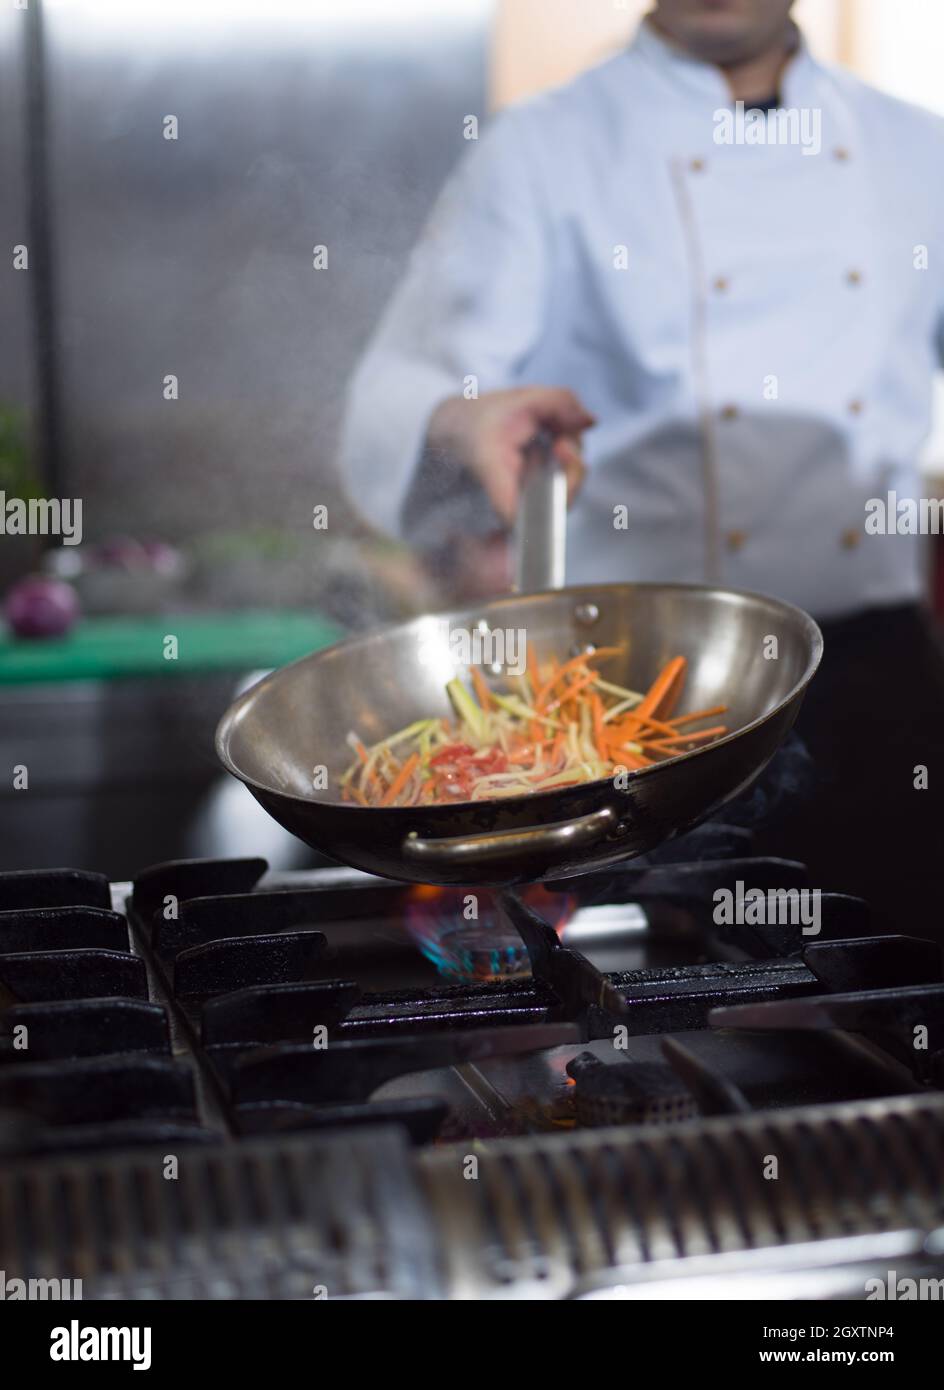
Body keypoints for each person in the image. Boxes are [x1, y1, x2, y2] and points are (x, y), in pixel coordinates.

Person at [338, 0, 944, 935]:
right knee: (645, 1027)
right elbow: (397, 388)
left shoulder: (919, 151)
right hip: (634, 708)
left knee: (900, 1005)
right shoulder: (541, 148)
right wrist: (464, 415)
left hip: (873, 691)